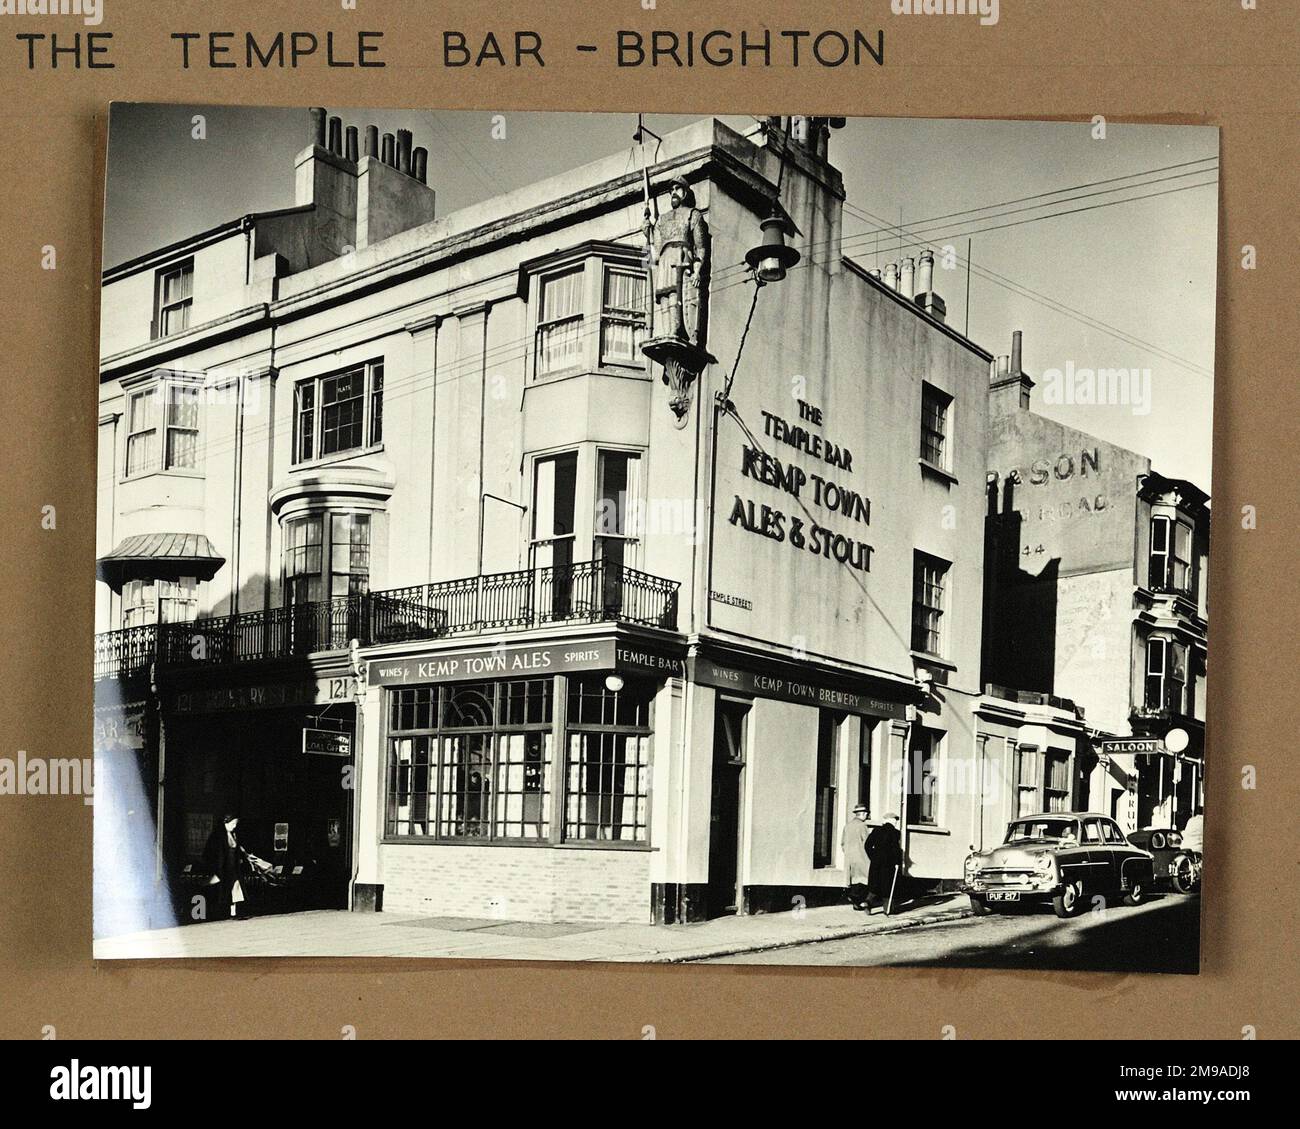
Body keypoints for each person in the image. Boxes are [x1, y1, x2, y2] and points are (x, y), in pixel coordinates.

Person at [201, 813, 271, 921]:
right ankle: (207, 900)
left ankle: (233, 912)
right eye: (233, 823)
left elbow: (237, 848)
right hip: (223, 867)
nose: (234, 826)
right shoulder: (218, 835)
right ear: (226, 823)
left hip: (233, 867)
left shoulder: (233, 834)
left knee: (235, 887)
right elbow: (213, 852)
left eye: (236, 823)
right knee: (217, 885)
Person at [865, 812, 903, 914]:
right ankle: (887, 909)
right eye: (895, 820)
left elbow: (867, 845)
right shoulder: (896, 833)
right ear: (890, 820)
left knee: (874, 884)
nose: (896, 822)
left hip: (876, 862)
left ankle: (868, 902)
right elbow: (896, 849)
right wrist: (897, 862)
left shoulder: (876, 830)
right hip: (888, 863)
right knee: (888, 886)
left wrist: (873, 857)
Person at [841, 804, 872, 910]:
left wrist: (848, 853)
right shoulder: (862, 826)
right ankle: (856, 899)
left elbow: (843, 843)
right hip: (861, 856)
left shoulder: (848, 825)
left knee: (853, 879)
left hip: (850, 857)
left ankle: (856, 902)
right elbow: (867, 842)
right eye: (866, 814)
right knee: (865, 878)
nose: (867, 816)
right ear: (862, 814)